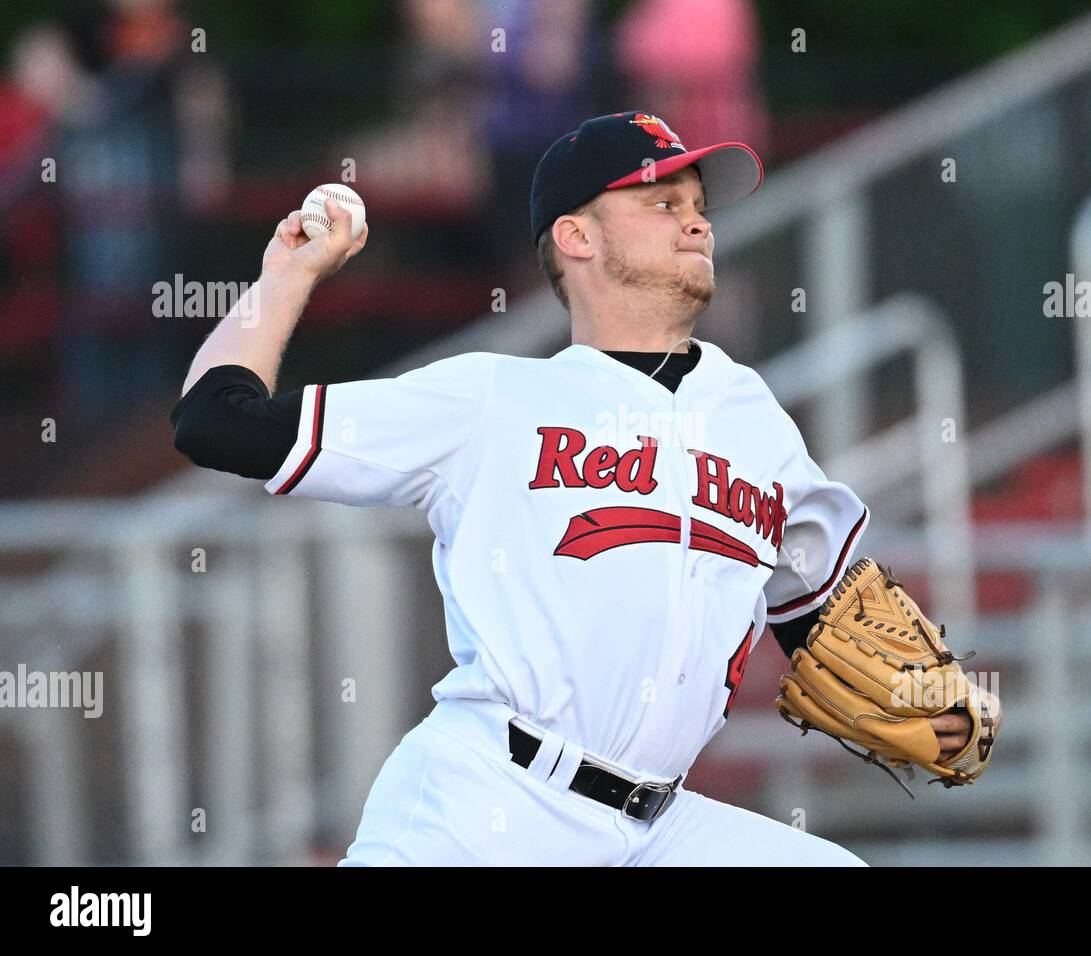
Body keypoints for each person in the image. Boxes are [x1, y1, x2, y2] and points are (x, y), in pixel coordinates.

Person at [172, 111, 981, 866]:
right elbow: (215, 421)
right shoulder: (489, 401)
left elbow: (817, 611)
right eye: (661, 200)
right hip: (486, 803)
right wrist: (290, 271)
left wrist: (925, 702)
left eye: (698, 203)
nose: (696, 220)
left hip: (656, 826)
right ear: (576, 236)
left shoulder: (754, 420)